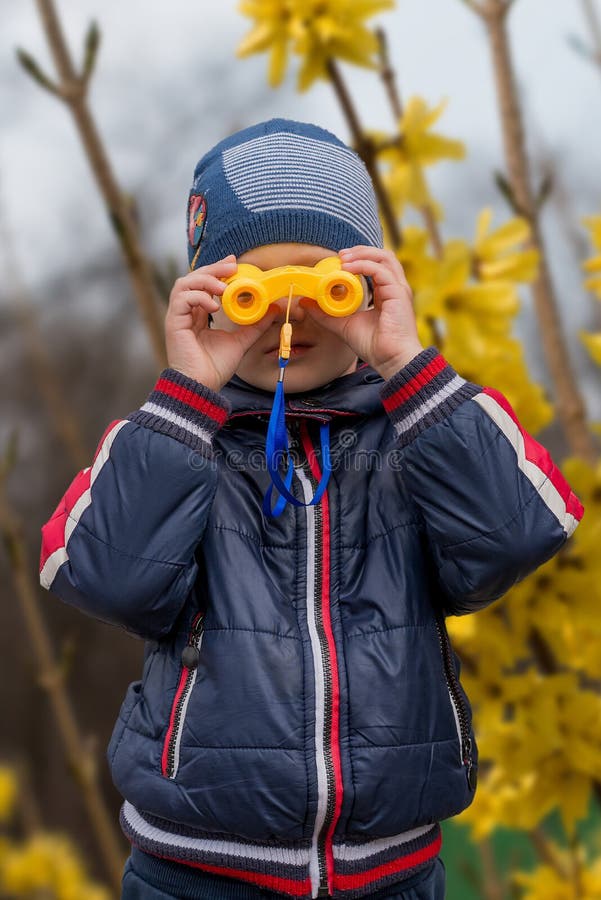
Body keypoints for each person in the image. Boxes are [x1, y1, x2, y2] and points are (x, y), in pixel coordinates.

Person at [39, 118, 585, 900]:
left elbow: (519, 533)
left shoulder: (416, 433)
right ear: (211, 299)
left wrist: (408, 366)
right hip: (196, 867)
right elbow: (100, 575)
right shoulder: (170, 440)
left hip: (390, 867)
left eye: (322, 288)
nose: (289, 319)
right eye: (252, 292)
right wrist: (187, 397)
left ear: (365, 286)